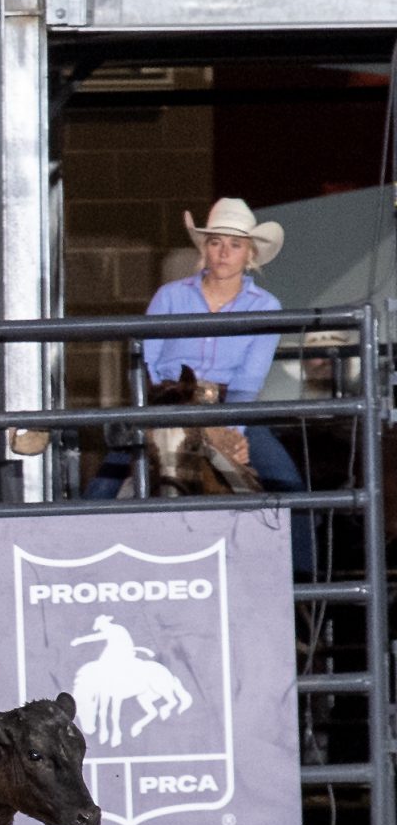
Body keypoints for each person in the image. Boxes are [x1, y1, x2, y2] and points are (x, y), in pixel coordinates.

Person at [86, 198, 309, 567]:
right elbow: (147, 360)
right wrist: (165, 408)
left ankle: (303, 587)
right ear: (205, 247)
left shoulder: (265, 306)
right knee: (104, 483)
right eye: (216, 242)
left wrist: (229, 429)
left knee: (288, 486)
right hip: (168, 401)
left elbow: (249, 378)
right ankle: (80, 559)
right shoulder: (171, 296)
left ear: (248, 254)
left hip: (229, 405)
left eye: (234, 245)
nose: (224, 253)